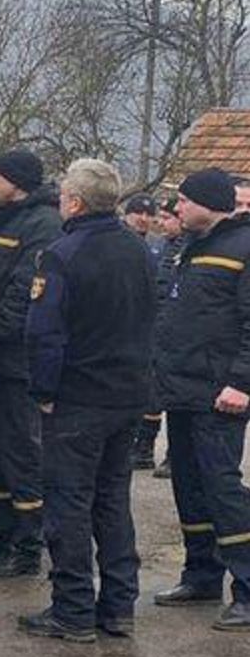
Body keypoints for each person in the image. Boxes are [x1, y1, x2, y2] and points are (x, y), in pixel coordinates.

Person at [20, 159, 156, 643]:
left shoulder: (62, 255)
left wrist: (43, 392)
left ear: (74, 202)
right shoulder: (139, 250)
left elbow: (45, 335)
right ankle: (119, 606)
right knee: (113, 501)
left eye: (62, 196)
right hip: (127, 397)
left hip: (77, 400)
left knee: (68, 505)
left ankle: (73, 609)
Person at [152, 168, 250, 632]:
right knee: (188, 487)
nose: (177, 209)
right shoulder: (190, 248)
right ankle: (201, 576)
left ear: (209, 203)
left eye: (185, 201)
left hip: (220, 394)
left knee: (223, 489)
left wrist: (242, 383)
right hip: (183, 390)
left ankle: (247, 589)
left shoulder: (242, 247)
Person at [0, 150, 61, 578]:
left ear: (17, 182)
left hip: (18, 359)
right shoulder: (6, 219)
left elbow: (26, 291)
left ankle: (27, 547)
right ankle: (4, 531)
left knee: (22, 452)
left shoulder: (42, 224)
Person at [135, 195, 186, 475]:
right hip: (155, 327)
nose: (161, 222)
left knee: (176, 395)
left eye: (168, 218)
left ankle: (174, 455)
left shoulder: (190, 246)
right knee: (151, 391)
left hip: (178, 331)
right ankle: (143, 448)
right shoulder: (157, 246)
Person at [122, 195, 166, 267]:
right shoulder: (113, 238)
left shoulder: (159, 244)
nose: (144, 219)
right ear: (127, 214)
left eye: (149, 215)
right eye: (139, 213)